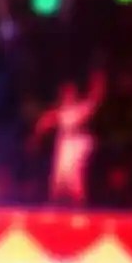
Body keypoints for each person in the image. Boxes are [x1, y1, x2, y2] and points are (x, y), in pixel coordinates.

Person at [30, 69, 106, 206]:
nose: (67, 95)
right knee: (60, 179)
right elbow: (45, 121)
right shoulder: (61, 110)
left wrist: (98, 82)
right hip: (64, 144)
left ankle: (80, 206)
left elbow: (95, 99)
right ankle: (56, 205)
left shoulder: (80, 108)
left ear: (75, 93)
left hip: (76, 144)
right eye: (65, 92)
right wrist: (37, 135)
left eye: (70, 92)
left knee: (75, 178)